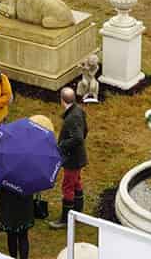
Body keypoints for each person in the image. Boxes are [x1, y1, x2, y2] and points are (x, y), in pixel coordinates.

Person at [57, 85, 88, 223]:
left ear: (62, 100)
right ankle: (78, 211)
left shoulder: (71, 118)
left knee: (68, 186)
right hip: (78, 156)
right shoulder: (79, 110)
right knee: (76, 182)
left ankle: (66, 219)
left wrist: (62, 145)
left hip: (72, 158)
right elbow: (85, 131)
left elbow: (78, 138)